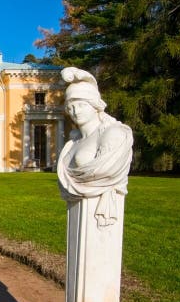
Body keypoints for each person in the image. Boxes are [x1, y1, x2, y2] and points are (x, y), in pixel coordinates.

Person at [57, 67, 133, 228]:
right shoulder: (72, 144)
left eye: (81, 105)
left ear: (94, 105)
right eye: (70, 107)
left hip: (98, 218)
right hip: (78, 209)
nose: (75, 111)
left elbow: (106, 171)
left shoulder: (113, 133)